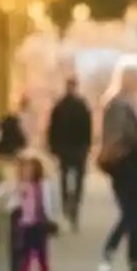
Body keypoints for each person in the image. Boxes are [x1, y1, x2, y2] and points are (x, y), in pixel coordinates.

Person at [97, 55, 137, 271]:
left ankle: (135, 263)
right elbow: (123, 135)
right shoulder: (118, 103)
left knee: (136, 214)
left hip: (131, 163)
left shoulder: (130, 102)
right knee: (131, 213)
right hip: (126, 163)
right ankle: (110, 249)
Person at [7, 153, 59, 271]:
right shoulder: (19, 187)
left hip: (39, 226)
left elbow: (49, 205)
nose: (27, 173)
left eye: (30, 170)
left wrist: (51, 220)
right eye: (24, 170)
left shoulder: (43, 187)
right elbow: (11, 204)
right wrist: (17, 196)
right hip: (25, 227)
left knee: (43, 260)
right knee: (25, 259)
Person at [46, 77, 92, 232]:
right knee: (77, 178)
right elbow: (88, 127)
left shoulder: (60, 106)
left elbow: (52, 128)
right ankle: (74, 207)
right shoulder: (81, 105)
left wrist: (53, 146)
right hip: (77, 147)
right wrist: (87, 145)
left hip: (66, 147)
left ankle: (68, 204)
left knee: (65, 177)